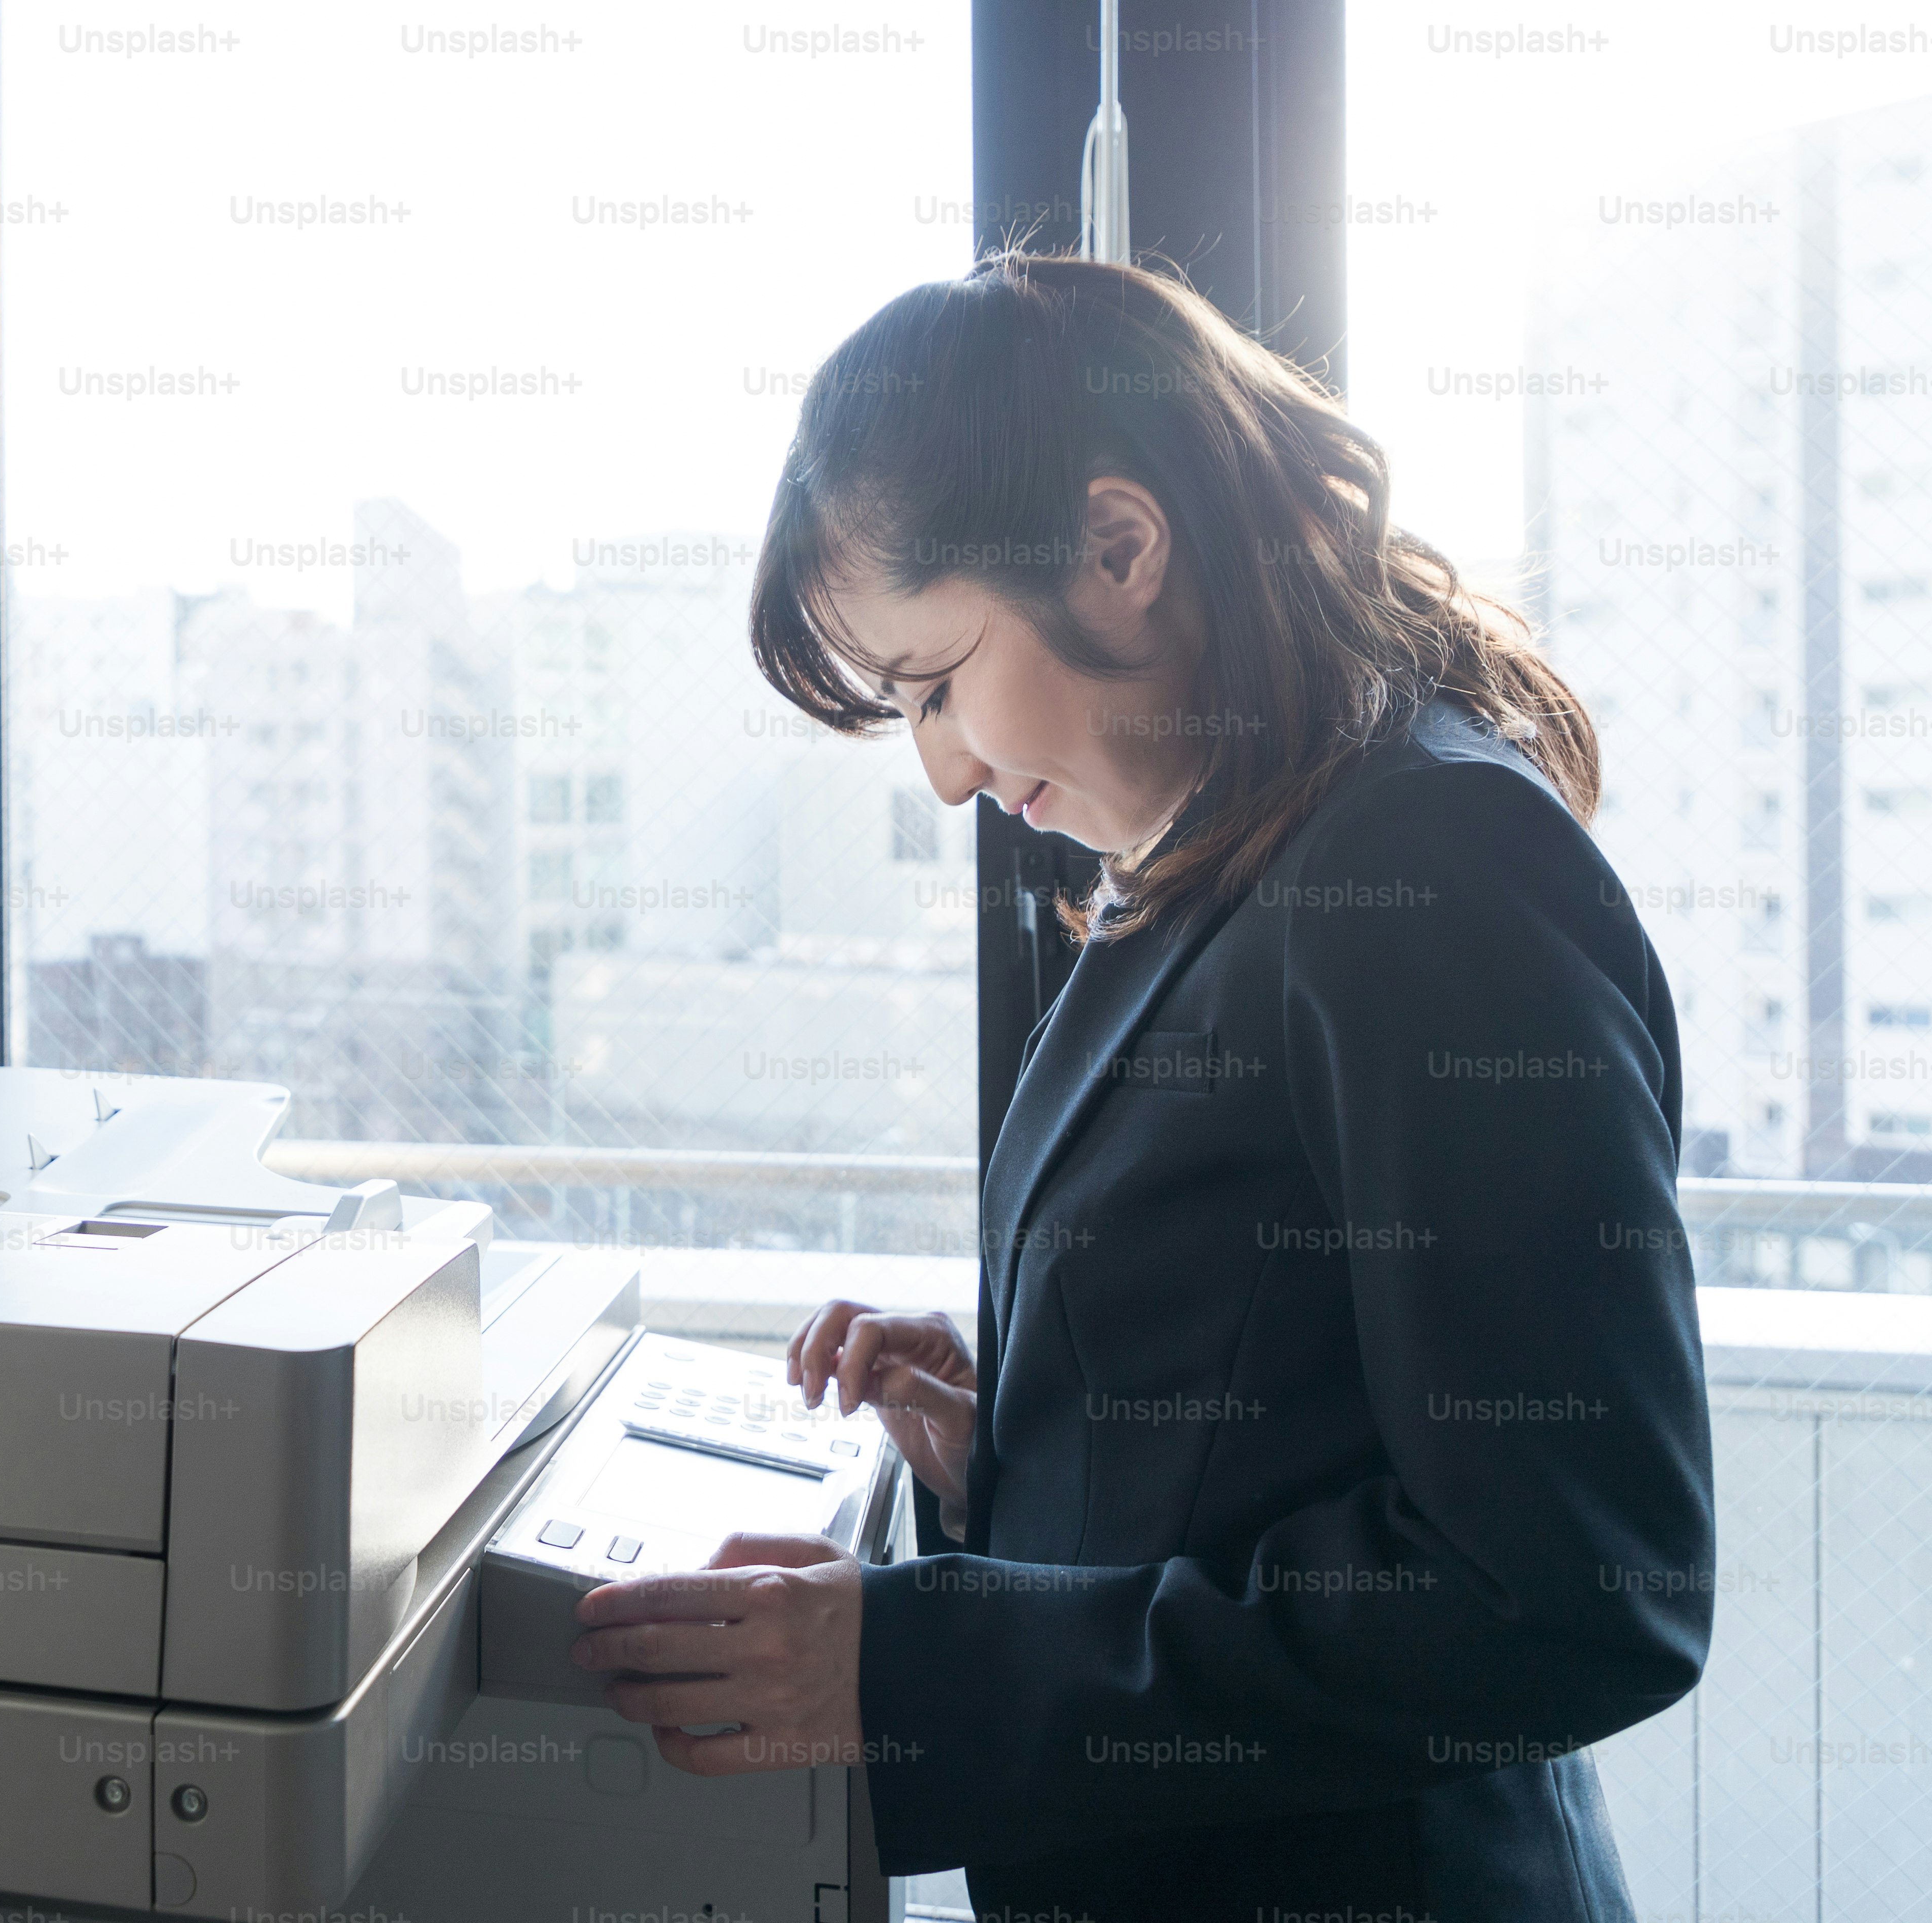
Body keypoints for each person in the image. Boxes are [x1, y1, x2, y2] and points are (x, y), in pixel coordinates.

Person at [573, 254, 1712, 1920]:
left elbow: (1574, 1587)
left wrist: (910, 1669)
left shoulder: (1430, 866)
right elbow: (1306, 1399)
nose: (947, 769)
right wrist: (1027, 1441)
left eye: (937, 683)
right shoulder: (1216, 851)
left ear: (1119, 549)